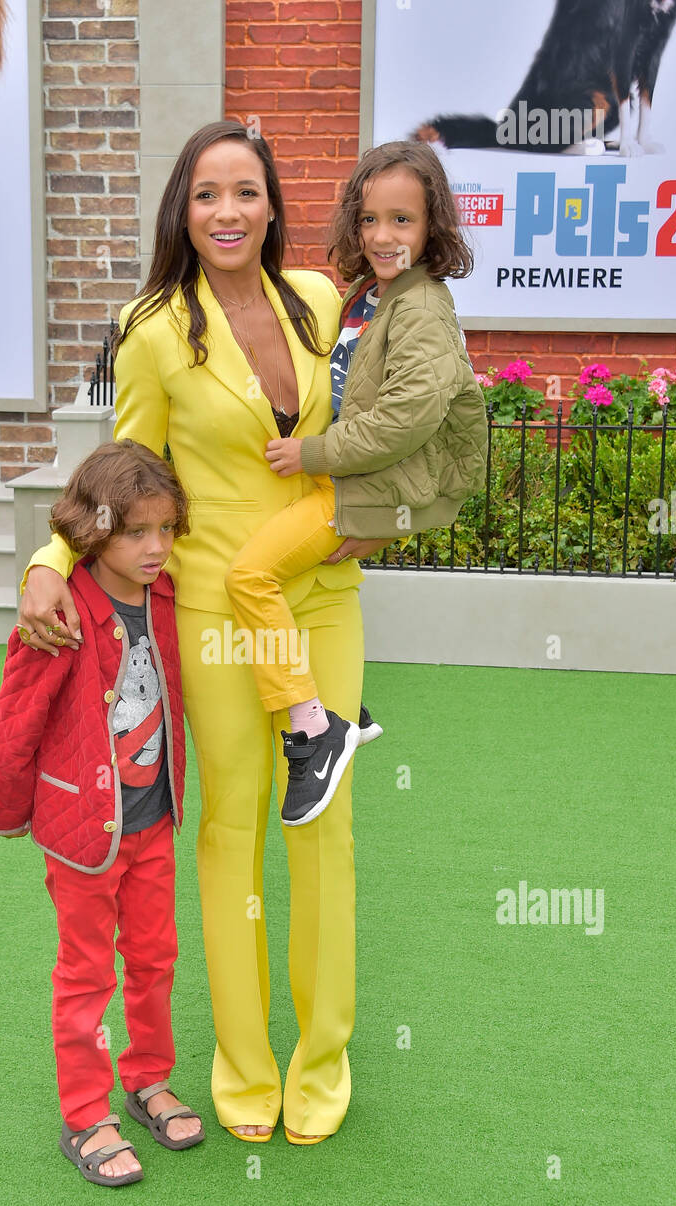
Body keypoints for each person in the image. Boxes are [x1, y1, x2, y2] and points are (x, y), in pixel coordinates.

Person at [17, 120, 396, 1145]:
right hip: (220, 616)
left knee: (323, 829)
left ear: (272, 206)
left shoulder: (319, 301)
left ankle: (322, 1057)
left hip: (321, 596)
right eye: (205, 195)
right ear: (181, 214)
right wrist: (52, 563)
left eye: (244, 192)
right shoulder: (152, 329)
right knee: (229, 831)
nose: (226, 212)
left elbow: (366, 433)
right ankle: (243, 1065)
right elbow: (121, 475)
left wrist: (371, 514)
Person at [224, 141, 488, 828]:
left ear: (433, 226)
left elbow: (406, 417)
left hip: (365, 487)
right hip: (351, 485)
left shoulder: (422, 307)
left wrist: (311, 453)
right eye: (369, 219)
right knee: (288, 578)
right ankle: (346, 700)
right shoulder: (370, 295)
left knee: (249, 576)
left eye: (402, 220)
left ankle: (315, 728)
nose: (382, 236)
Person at [0, 440, 205, 1186]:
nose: (155, 547)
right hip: (83, 837)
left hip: (154, 823)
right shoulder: (62, 609)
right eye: (136, 532)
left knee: (156, 958)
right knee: (85, 974)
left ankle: (146, 1080)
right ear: (94, 531)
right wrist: (5, 808)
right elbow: (19, 712)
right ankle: (86, 1114)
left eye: (165, 530)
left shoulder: (167, 595)